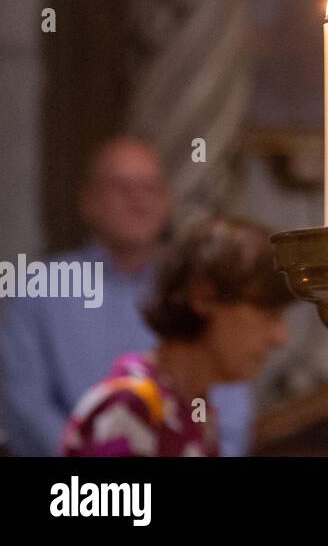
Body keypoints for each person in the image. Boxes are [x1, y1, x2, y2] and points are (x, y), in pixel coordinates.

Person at [0, 136, 253, 456]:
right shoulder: (42, 286)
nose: (139, 200)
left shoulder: (196, 293)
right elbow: (26, 405)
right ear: (88, 201)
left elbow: (227, 398)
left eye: (151, 188)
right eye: (121, 187)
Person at [62, 217, 292, 456]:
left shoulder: (197, 408)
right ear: (203, 298)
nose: (281, 337)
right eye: (269, 314)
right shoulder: (132, 405)